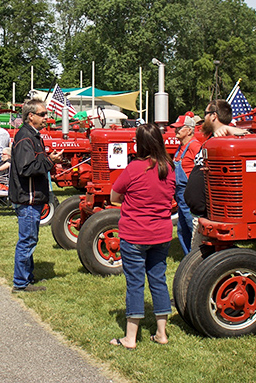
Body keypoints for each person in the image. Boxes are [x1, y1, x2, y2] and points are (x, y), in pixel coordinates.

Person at [109, 123, 176, 349]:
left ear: (139, 143)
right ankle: (161, 333)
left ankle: (130, 338)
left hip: (135, 233)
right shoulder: (170, 167)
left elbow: (114, 196)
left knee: (135, 284)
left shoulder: (134, 168)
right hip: (162, 233)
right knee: (159, 280)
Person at [8, 100, 63, 292]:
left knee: (30, 239)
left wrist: (50, 159)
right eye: (43, 114)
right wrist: (49, 161)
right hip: (27, 198)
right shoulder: (26, 137)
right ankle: (20, 283)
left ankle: (27, 277)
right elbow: (26, 168)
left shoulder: (32, 136)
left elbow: (35, 161)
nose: (46, 118)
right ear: (31, 116)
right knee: (27, 240)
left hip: (31, 198)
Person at [184, 99, 248, 249]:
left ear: (213, 116)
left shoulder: (230, 137)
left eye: (206, 114)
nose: (203, 118)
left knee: (203, 262)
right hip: (200, 213)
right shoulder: (213, 138)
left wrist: (229, 129)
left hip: (211, 214)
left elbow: (246, 135)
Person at [172, 114, 203, 254]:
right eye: (175, 128)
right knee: (182, 228)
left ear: (189, 130)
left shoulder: (195, 146)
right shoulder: (181, 147)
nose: (176, 131)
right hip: (180, 194)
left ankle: (197, 256)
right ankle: (188, 256)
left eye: (179, 128)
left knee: (192, 227)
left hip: (188, 193)